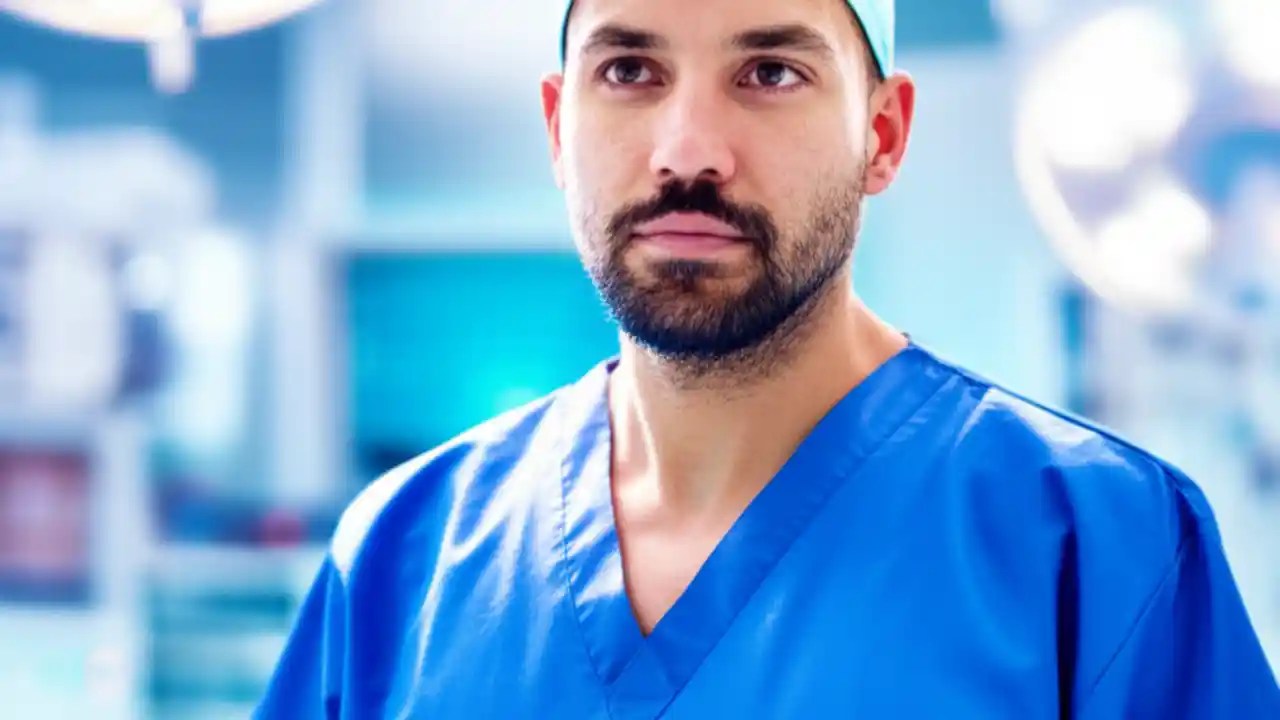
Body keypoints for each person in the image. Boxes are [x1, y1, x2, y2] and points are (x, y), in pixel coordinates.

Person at [256, 0, 1280, 717]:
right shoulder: (403, 558)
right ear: (559, 129)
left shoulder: (1100, 543)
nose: (687, 150)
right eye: (628, 71)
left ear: (881, 134)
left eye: (769, 72)